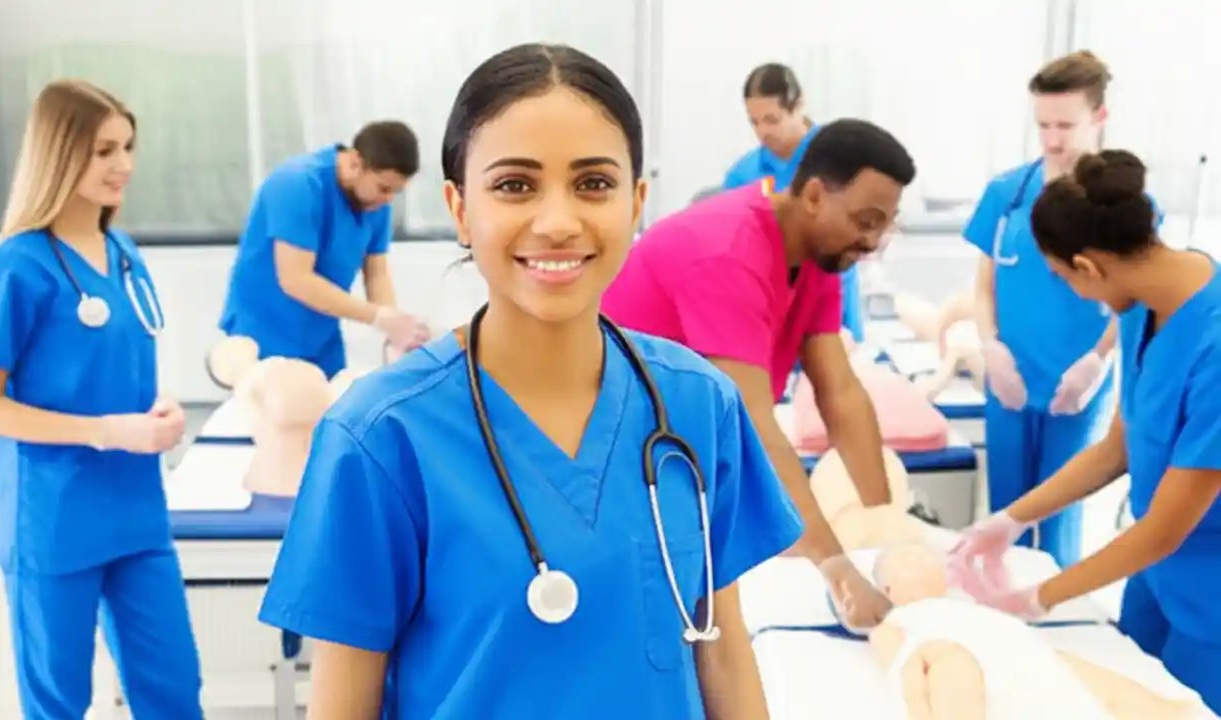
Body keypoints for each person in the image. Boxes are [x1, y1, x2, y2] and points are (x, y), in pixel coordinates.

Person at [256, 43, 804, 718]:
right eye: (515, 185)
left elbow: (721, 652)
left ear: (636, 203)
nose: (557, 222)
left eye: (593, 184)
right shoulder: (382, 435)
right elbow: (343, 705)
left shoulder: (698, 406)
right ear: (460, 208)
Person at [602, 118, 916, 632]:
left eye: (886, 224)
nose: (874, 240)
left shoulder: (821, 254)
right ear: (815, 195)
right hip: (629, 454)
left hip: (693, 447)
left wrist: (885, 530)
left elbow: (840, 394)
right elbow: (755, 429)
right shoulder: (728, 252)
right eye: (867, 220)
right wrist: (837, 568)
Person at [0, 80, 202, 718]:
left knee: (174, 692)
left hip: (137, 515)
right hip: (53, 520)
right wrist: (104, 432)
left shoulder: (122, 252)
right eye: (102, 151)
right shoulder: (16, 267)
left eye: (127, 147)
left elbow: (120, 365)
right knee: (58, 702)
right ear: (58, 154)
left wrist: (162, 407)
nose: (122, 165)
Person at [950, 150, 1221, 714]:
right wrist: (1011, 519)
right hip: (1154, 575)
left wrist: (1036, 597)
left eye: (1061, 278)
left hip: (1208, 592)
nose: (1074, 294)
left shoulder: (1214, 344)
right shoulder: (1140, 304)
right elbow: (1117, 449)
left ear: (1089, 267)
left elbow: (1167, 529)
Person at [957, 51, 1142, 568]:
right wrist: (989, 346)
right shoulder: (1007, 194)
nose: (1053, 139)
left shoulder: (1122, 202)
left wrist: (1098, 361)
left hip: (1076, 384)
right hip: (1010, 378)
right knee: (1005, 521)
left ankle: (1053, 621)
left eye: (1066, 124)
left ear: (1099, 118)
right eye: (1043, 125)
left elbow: (1137, 295)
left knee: (1059, 525)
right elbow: (985, 286)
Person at [217, 121, 430, 379]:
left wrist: (396, 328)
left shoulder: (376, 203)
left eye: (396, 192)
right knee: (275, 413)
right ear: (354, 163)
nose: (388, 199)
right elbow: (296, 279)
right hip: (264, 334)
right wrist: (377, 317)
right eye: (384, 188)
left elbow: (377, 274)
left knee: (331, 411)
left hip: (320, 339)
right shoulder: (297, 185)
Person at [723, 62, 865, 342]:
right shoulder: (742, 176)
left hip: (836, 314)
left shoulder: (842, 160)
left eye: (772, 120)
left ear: (799, 106)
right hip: (770, 320)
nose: (763, 131)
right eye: (755, 122)